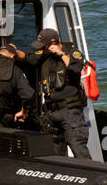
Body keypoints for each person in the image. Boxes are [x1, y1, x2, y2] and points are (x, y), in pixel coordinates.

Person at [24, 28, 92, 158]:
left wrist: (61, 53)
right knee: (55, 150)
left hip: (70, 111)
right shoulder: (45, 55)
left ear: (53, 43)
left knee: (78, 147)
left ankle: (94, 175)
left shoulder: (73, 53)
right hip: (51, 111)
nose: (43, 49)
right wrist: (13, 53)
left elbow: (75, 68)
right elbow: (28, 58)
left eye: (44, 46)